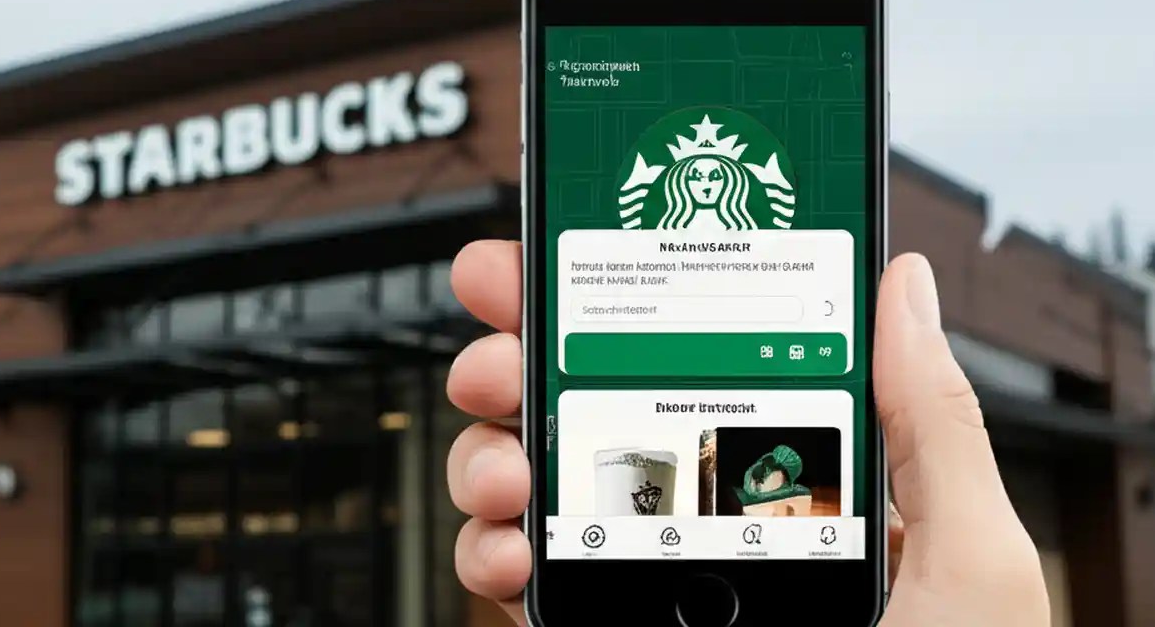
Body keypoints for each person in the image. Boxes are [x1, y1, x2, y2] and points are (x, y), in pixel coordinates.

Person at [444, 242, 1051, 626]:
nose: (766, 484)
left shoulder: (796, 504)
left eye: (773, 478)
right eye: (765, 478)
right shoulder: (738, 487)